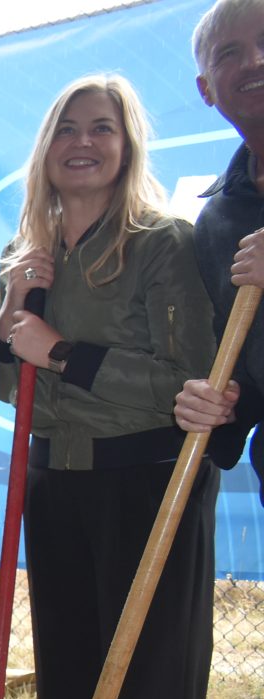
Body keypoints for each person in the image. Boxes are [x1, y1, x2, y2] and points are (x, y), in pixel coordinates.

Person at [0, 75, 215, 699]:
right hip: (59, 491)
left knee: (150, 697)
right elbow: (8, 381)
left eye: (103, 129)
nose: (83, 143)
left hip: (147, 488)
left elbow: (187, 382)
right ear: (46, 147)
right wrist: (15, 309)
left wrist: (62, 352)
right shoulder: (29, 252)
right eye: (67, 129)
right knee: (73, 689)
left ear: (127, 146)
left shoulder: (163, 244)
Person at [175, 0, 264, 506]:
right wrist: (223, 405)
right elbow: (247, 365)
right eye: (229, 53)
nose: (254, 61)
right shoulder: (219, 220)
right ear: (206, 89)